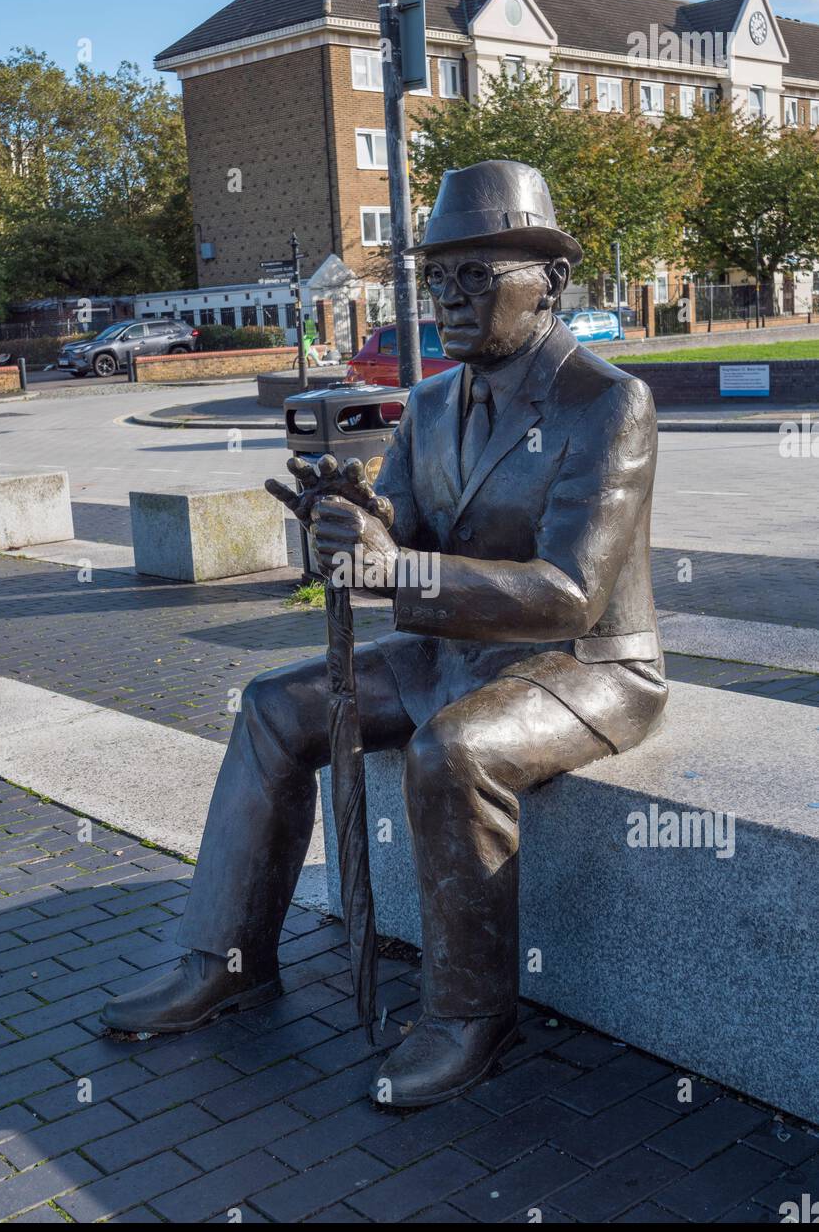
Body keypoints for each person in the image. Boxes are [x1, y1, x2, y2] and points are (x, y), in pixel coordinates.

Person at [101, 161, 666, 1108]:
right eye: (436, 275)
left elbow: (569, 593)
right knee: (275, 708)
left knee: (455, 751)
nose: (448, 293)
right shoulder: (434, 402)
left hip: (586, 666)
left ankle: (467, 1015)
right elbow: (399, 523)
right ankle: (227, 956)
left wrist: (394, 567)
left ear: (550, 282)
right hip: (455, 649)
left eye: (475, 274)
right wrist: (351, 522)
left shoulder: (607, 404)